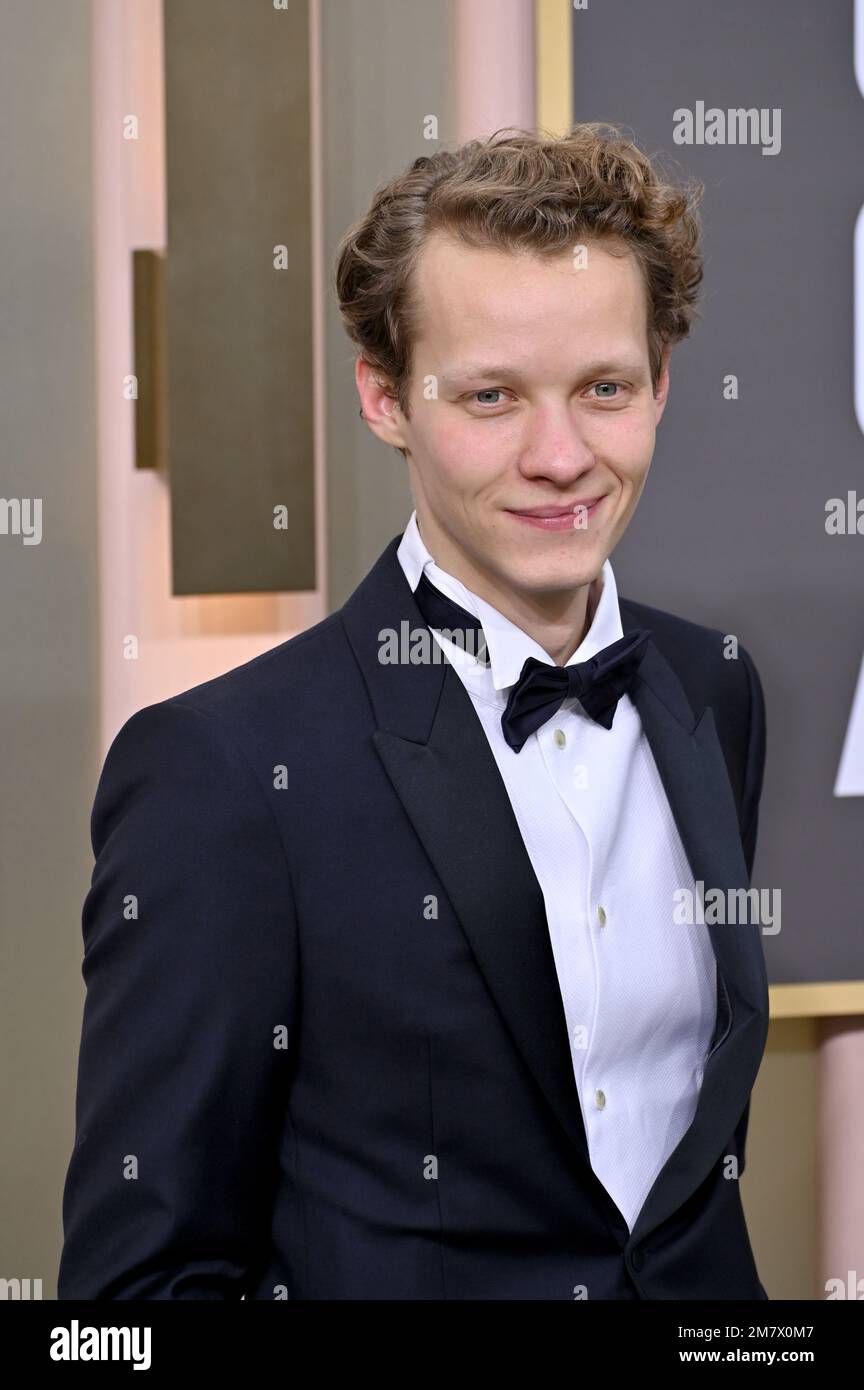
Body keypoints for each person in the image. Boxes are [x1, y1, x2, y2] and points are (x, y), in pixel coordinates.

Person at [59, 123, 769, 1300]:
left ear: (662, 384)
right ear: (385, 398)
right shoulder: (223, 772)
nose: (561, 456)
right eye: (491, 395)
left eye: (604, 388)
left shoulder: (716, 690)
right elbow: (136, 1293)